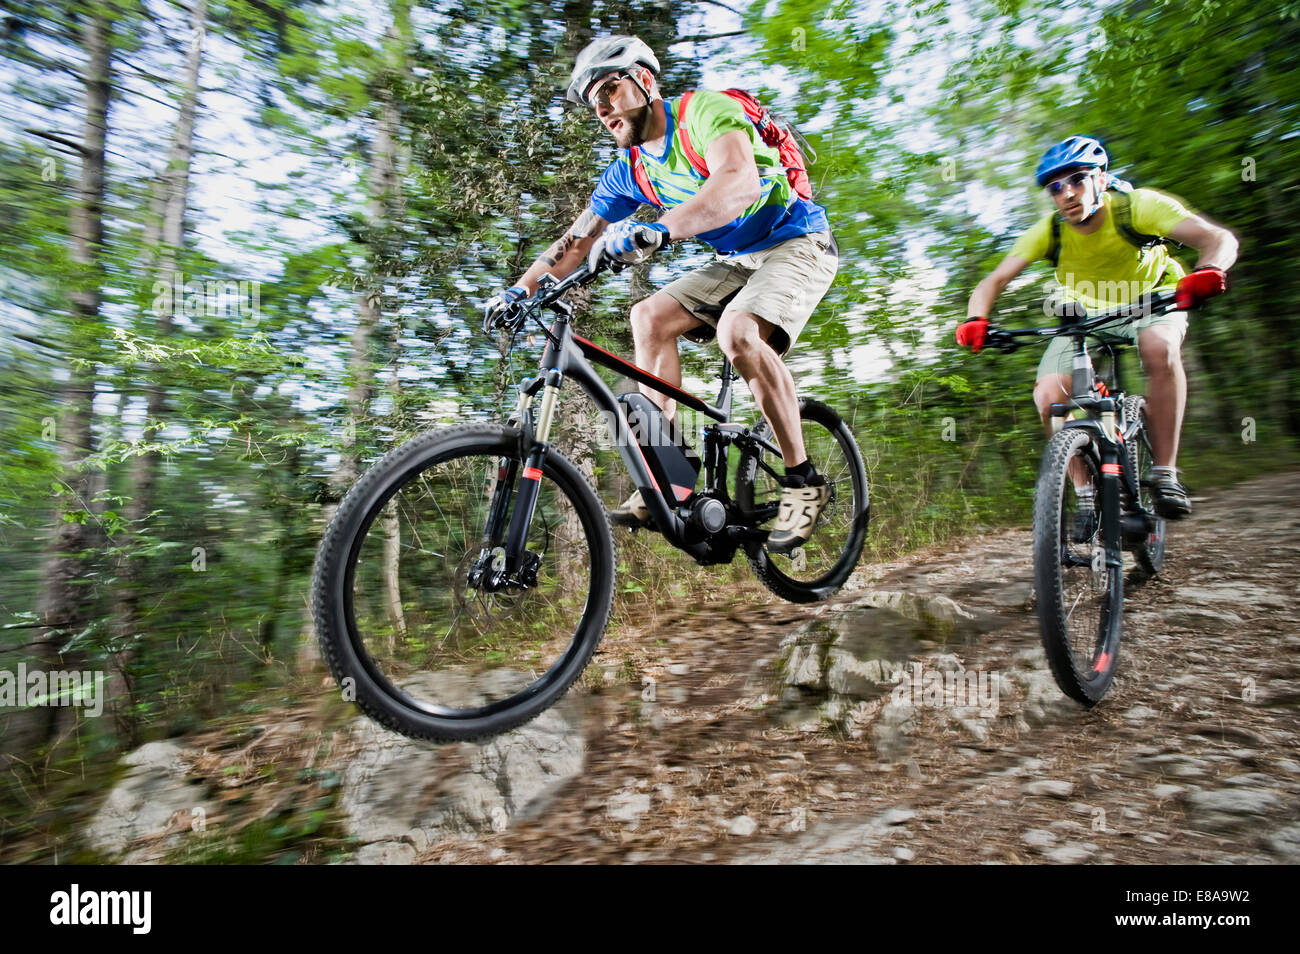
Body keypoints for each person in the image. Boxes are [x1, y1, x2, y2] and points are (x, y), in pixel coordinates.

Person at [482, 35, 840, 553]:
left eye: (609, 89)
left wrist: (660, 230)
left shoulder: (702, 113)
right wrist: (518, 291)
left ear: (645, 82)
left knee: (737, 332)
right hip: (737, 260)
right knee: (648, 316)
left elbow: (738, 183)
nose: (602, 108)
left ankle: (803, 480)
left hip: (798, 241)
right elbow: (576, 240)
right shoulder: (628, 170)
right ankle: (668, 471)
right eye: (593, 103)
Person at [957, 135, 1238, 518]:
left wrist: (1209, 270)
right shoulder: (1050, 231)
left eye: (1077, 180)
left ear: (1101, 179)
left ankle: (1165, 473)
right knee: (1049, 397)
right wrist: (977, 320)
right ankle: (1085, 495)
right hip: (1089, 314)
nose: (1067, 194)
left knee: (1159, 348)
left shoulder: (1139, 207)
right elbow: (994, 281)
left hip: (1155, 299)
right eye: (1056, 188)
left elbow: (1217, 238)